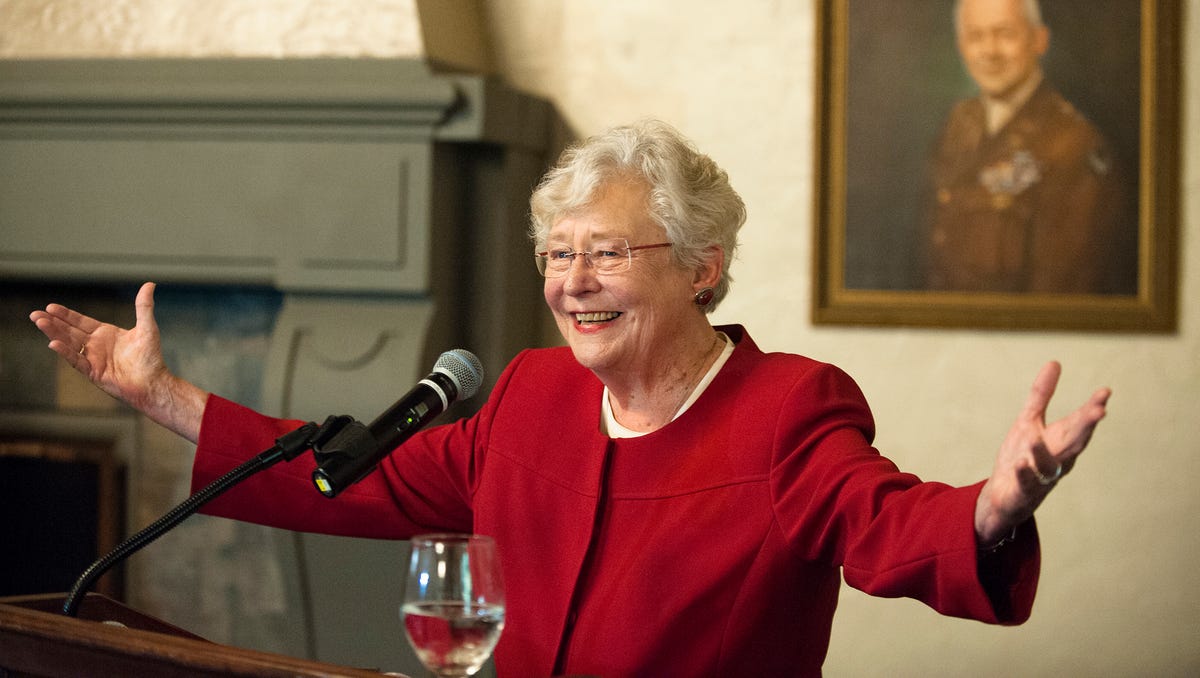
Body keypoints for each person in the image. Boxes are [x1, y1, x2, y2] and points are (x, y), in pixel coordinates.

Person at [31, 119, 1110, 677]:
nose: (570, 284)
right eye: (556, 254)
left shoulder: (789, 407)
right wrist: (161, 392)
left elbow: (885, 526)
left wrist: (995, 507)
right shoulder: (531, 393)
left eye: (603, 253)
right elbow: (347, 482)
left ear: (700, 265)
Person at [921, 0, 1132, 294]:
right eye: (975, 36)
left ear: (1039, 40)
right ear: (961, 45)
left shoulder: (1073, 145)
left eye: (1005, 34)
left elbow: (1061, 298)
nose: (989, 51)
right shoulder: (959, 124)